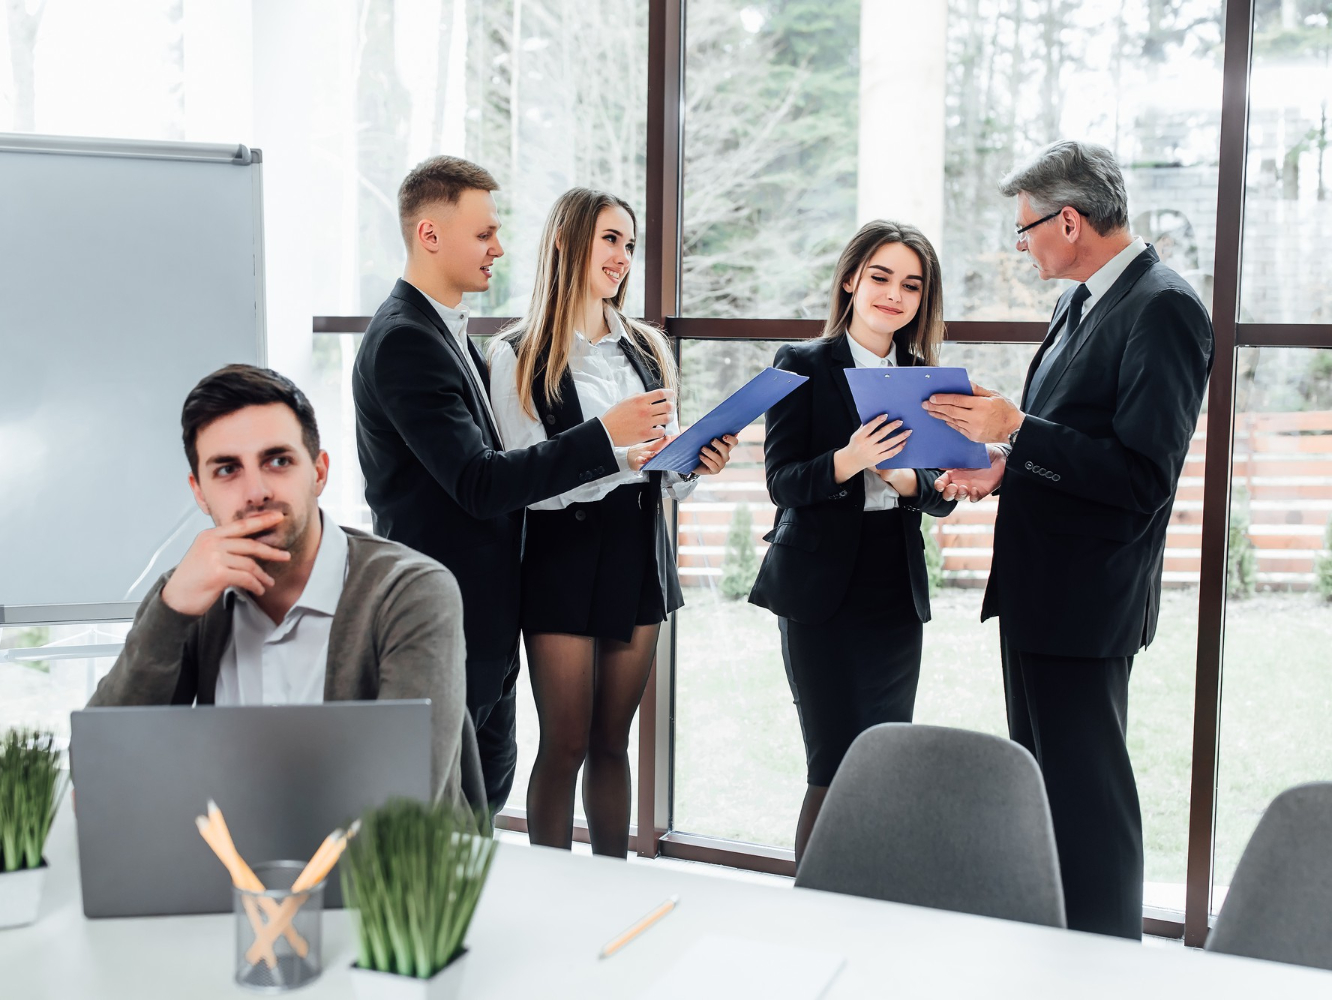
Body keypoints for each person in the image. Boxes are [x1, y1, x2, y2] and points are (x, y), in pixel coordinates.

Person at [924, 140, 1213, 939]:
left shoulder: (1164, 307)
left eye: (1027, 229)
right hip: (1038, 590)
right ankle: (1056, 956)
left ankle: (1106, 965)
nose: (1022, 245)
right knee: (1045, 792)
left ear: (1072, 220)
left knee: (1090, 805)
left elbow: (1141, 479)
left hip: (1089, 602)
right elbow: (1068, 442)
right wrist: (1003, 463)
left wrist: (1017, 428)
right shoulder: (1078, 301)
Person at [352, 156, 675, 817]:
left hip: (488, 615)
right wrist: (607, 438)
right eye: (484, 234)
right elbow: (479, 481)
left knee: (482, 803)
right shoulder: (406, 342)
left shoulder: (447, 336)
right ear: (430, 235)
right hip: (448, 612)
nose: (500, 247)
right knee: (451, 815)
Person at [88, 364, 484, 816]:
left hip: (388, 880)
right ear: (199, 493)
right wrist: (171, 611)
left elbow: (401, 807)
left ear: (318, 472)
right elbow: (102, 770)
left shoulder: (411, 591)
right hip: (240, 874)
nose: (256, 492)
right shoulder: (188, 593)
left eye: (278, 461)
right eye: (227, 470)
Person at [487, 188, 737, 857]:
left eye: (630, 244)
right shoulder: (519, 354)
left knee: (611, 742)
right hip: (562, 555)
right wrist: (615, 450)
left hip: (637, 550)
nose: (624, 257)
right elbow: (526, 483)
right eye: (611, 240)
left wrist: (694, 464)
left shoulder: (648, 350)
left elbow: (667, 474)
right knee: (564, 743)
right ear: (567, 243)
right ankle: (550, 887)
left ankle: (613, 884)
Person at [748, 220, 957, 864]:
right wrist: (848, 459)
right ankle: (812, 913)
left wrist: (905, 480)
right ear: (851, 280)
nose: (894, 295)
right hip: (820, 592)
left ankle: (879, 909)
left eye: (911, 285)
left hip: (893, 589)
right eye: (881, 277)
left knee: (888, 761)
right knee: (833, 764)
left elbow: (943, 491)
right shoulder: (802, 365)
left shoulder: (927, 378)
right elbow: (783, 482)